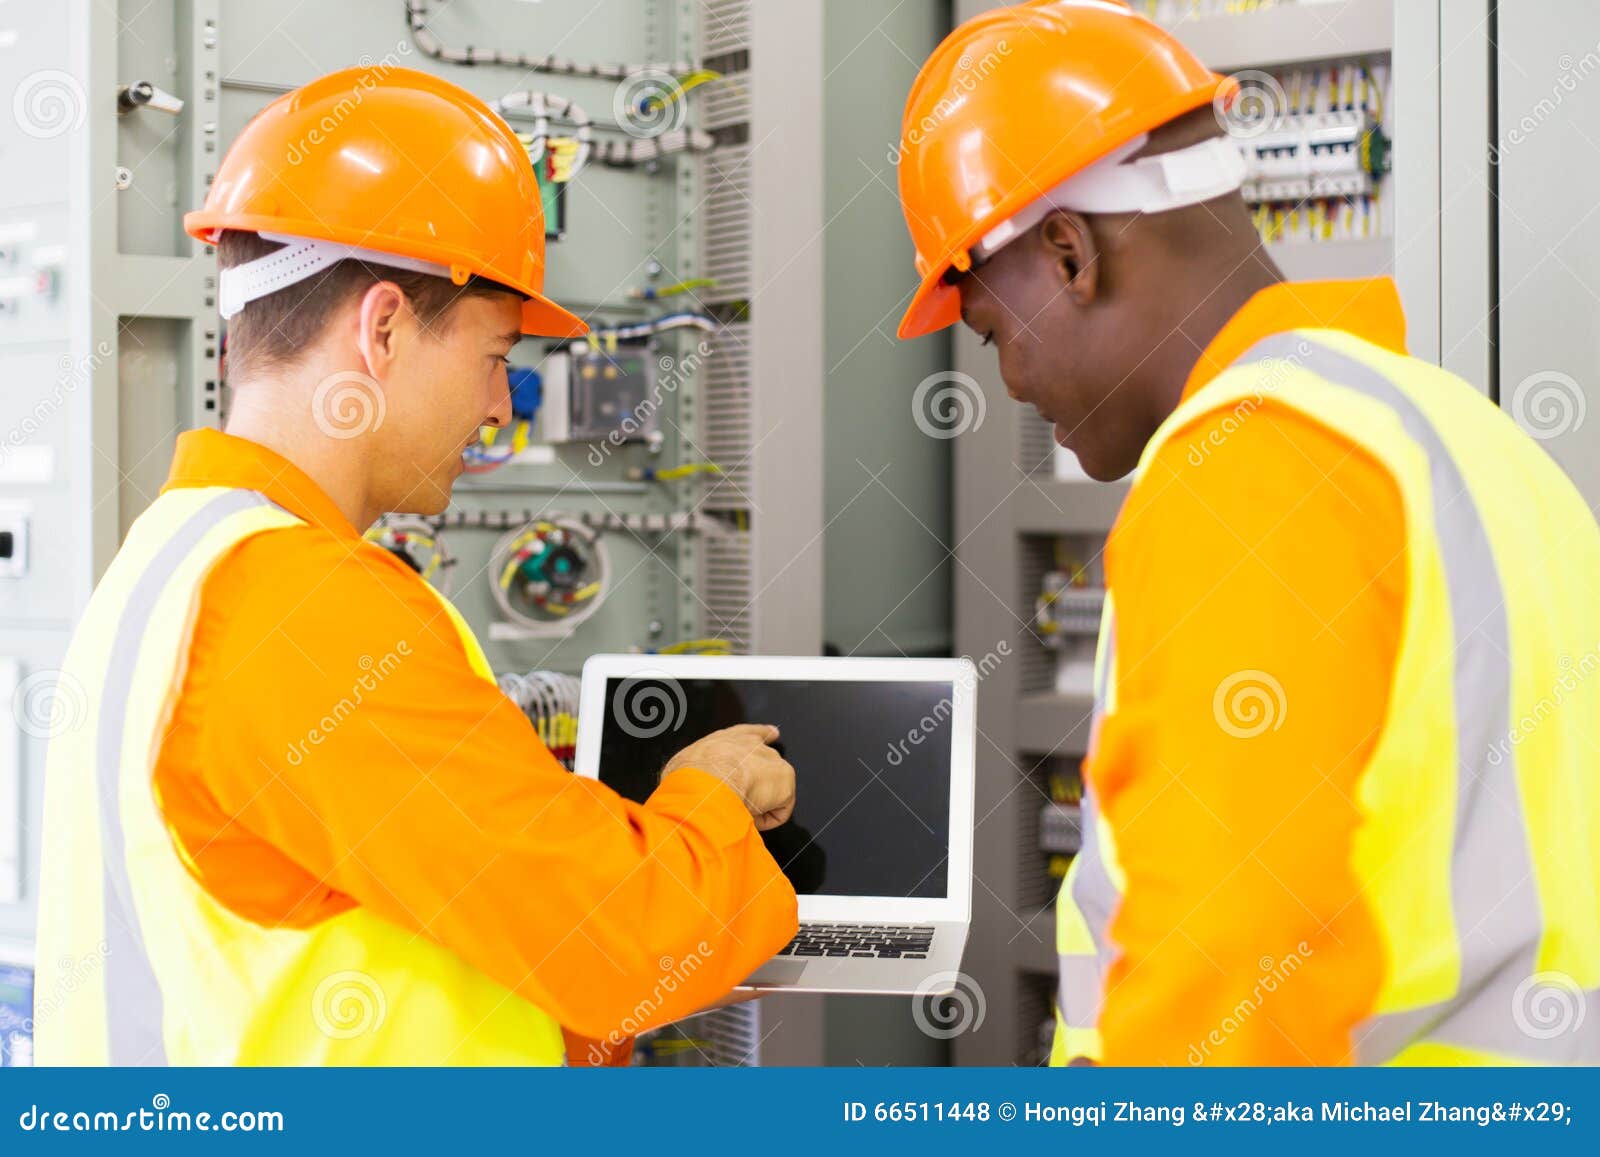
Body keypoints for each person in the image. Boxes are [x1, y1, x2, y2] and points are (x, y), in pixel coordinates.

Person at [33, 66, 797, 1066]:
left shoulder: (174, 556)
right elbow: (629, 940)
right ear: (383, 326)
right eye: (497, 356)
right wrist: (711, 793)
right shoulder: (305, 607)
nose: (500, 407)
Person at [895, 0, 1599, 1065]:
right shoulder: (1465, 436)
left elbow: (1222, 981)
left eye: (995, 334)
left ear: (1070, 254)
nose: (1014, 383)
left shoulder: (1250, 469)